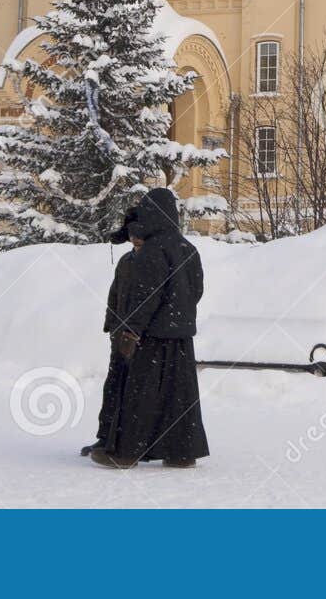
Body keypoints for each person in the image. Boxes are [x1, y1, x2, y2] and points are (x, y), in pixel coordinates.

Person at [91, 188, 209, 470]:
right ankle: (182, 453)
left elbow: (145, 295)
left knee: (140, 394)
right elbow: (196, 290)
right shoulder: (186, 248)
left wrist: (132, 330)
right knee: (179, 398)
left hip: (152, 336)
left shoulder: (153, 251)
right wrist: (179, 317)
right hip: (180, 336)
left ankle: (126, 452)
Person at [83, 206, 142, 460]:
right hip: (120, 333)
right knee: (113, 386)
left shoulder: (151, 261)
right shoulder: (127, 261)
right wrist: (111, 325)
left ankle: (124, 441)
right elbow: (115, 294)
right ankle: (105, 435)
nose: (134, 238)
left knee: (131, 389)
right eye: (131, 234)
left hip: (138, 335)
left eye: (138, 234)